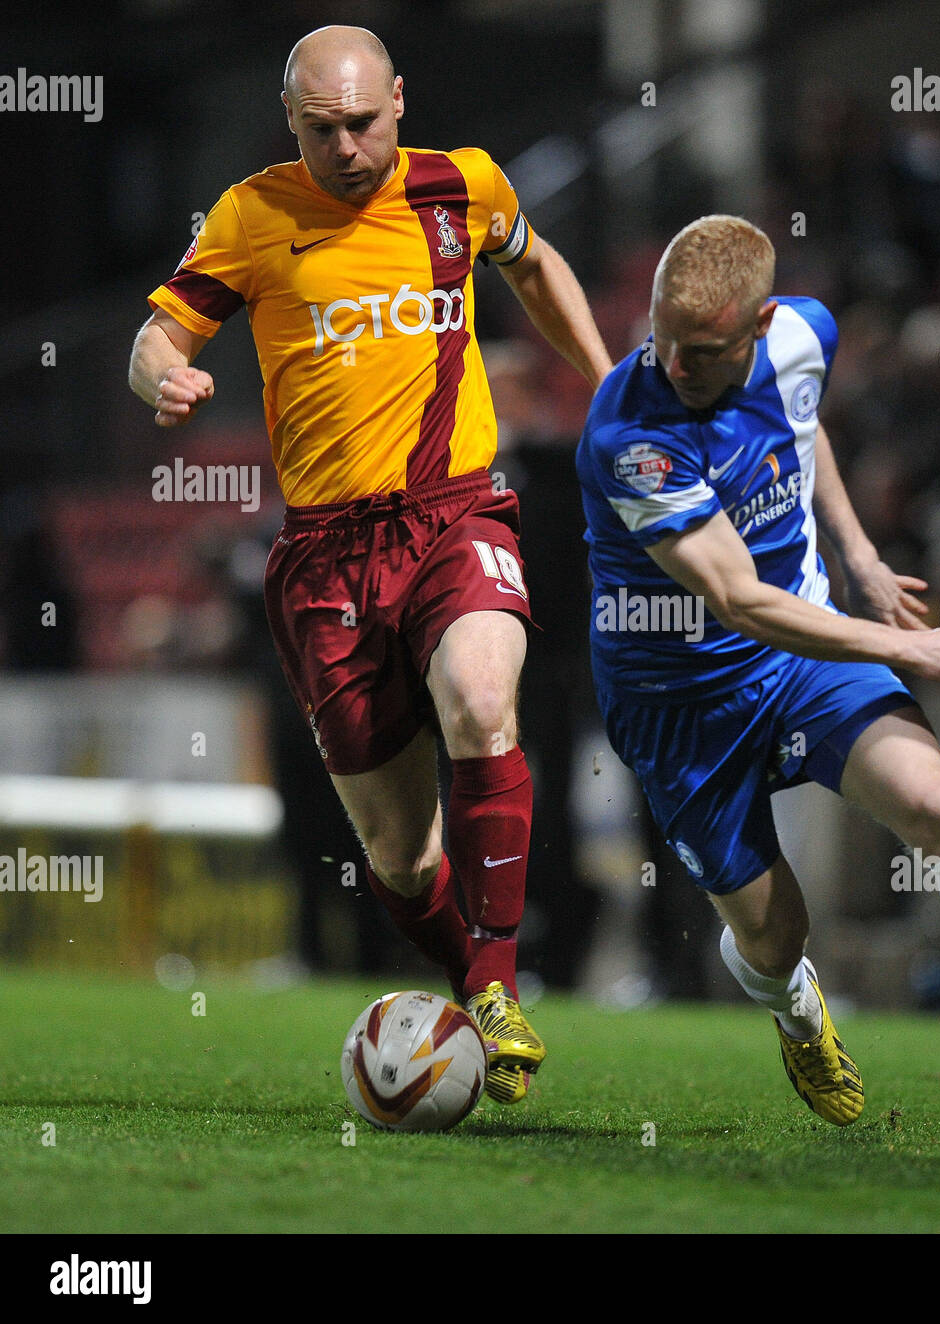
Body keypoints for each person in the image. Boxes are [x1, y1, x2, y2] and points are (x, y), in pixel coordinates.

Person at [576, 215, 940, 1143]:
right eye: (664, 339)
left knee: (934, 803)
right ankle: (795, 1006)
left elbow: (803, 435)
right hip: (682, 702)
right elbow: (736, 599)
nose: (677, 364)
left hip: (804, 659)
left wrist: (862, 556)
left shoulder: (803, 335)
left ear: (761, 327)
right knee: (774, 936)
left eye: (707, 349)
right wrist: (901, 647)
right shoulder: (631, 435)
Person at [128, 25, 613, 1105]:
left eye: (363, 122)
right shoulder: (251, 215)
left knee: (484, 705)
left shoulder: (461, 189)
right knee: (398, 857)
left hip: (455, 512)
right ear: (288, 121)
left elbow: (533, 261)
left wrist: (612, 384)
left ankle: (495, 983)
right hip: (324, 559)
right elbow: (157, 335)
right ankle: (469, 984)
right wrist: (161, 376)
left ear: (398, 99)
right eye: (320, 129)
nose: (346, 147)